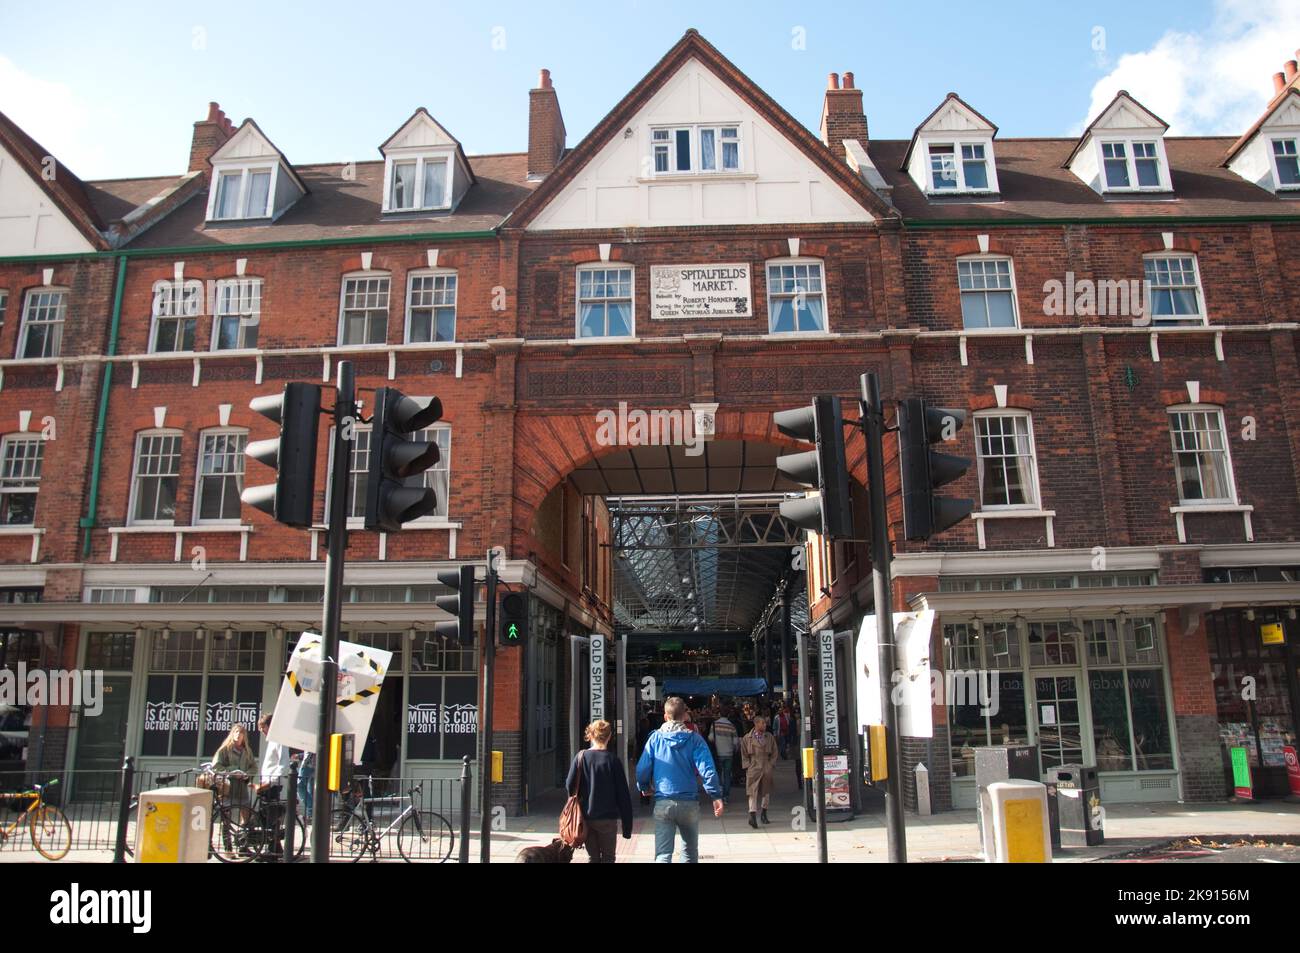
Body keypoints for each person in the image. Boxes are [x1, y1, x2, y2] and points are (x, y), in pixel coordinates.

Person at [636, 696, 724, 863]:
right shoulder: (695, 740)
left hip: (664, 801)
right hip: (689, 802)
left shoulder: (655, 739)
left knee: (663, 855)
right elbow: (708, 770)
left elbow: (642, 769)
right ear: (685, 716)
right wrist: (715, 795)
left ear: (665, 716)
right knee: (690, 854)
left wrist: (644, 786)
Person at [564, 719, 633, 863]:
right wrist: (627, 827)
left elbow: (569, 785)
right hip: (607, 818)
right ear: (609, 736)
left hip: (585, 818)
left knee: (593, 857)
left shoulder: (580, 757)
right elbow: (623, 795)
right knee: (608, 858)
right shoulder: (613, 760)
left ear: (590, 735)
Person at [255, 712, 291, 858]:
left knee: (271, 818)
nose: (263, 732)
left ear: (270, 726)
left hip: (272, 785)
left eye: (263, 728)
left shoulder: (279, 740)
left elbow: (283, 765)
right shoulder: (272, 740)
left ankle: (272, 850)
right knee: (266, 817)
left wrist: (270, 783)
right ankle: (274, 849)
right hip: (267, 783)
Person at [210, 724, 257, 820]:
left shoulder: (247, 751)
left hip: (241, 788)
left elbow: (254, 767)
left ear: (244, 736)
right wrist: (232, 771)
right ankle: (226, 833)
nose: (238, 734)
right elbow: (216, 766)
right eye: (236, 732)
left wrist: (246, 774)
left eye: (241, 733)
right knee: (226, 812)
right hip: (227, 786)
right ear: (232, 734)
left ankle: (244, 832)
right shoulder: (224, 749)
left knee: (246, 811)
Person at [740, 715, 779, 828]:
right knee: (752, 791)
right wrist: (748, 766)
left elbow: (775, 751)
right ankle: (752, 815)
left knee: (766, 792)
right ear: (756, 724)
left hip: (766, 765)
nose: (765, 725)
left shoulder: (769, 737)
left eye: (765, 723)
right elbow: (743, 753)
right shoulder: (747, 738)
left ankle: (764, 813)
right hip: (754, 766)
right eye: (763, 723)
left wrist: (771, 764)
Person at [707, 709, 739, 800]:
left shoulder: (715, 724)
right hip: (729, 754)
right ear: (728, 715)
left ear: (719, 714)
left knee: (718, 773)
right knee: (727, 775)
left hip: (718, 753)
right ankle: (726, 796)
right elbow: (736, 741)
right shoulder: (731, 726)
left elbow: (711, 738)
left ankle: (719, 794)